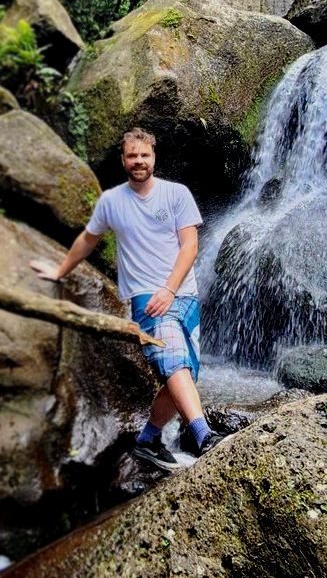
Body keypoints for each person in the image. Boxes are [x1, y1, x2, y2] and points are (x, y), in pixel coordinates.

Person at [30, 128, 224, 470]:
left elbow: (190, 246)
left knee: (183, 375)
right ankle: (204, 435)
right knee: (174, 362)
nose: (138, 161)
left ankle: (148, 440)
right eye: (132, 156)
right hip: (148, 298)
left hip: (185, 295)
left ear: (154, 157)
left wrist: (171, 289)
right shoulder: (112, 202)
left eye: (144, 155)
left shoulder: (177, 195)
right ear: (123, 160)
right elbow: (88, 240)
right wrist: (60, 270)